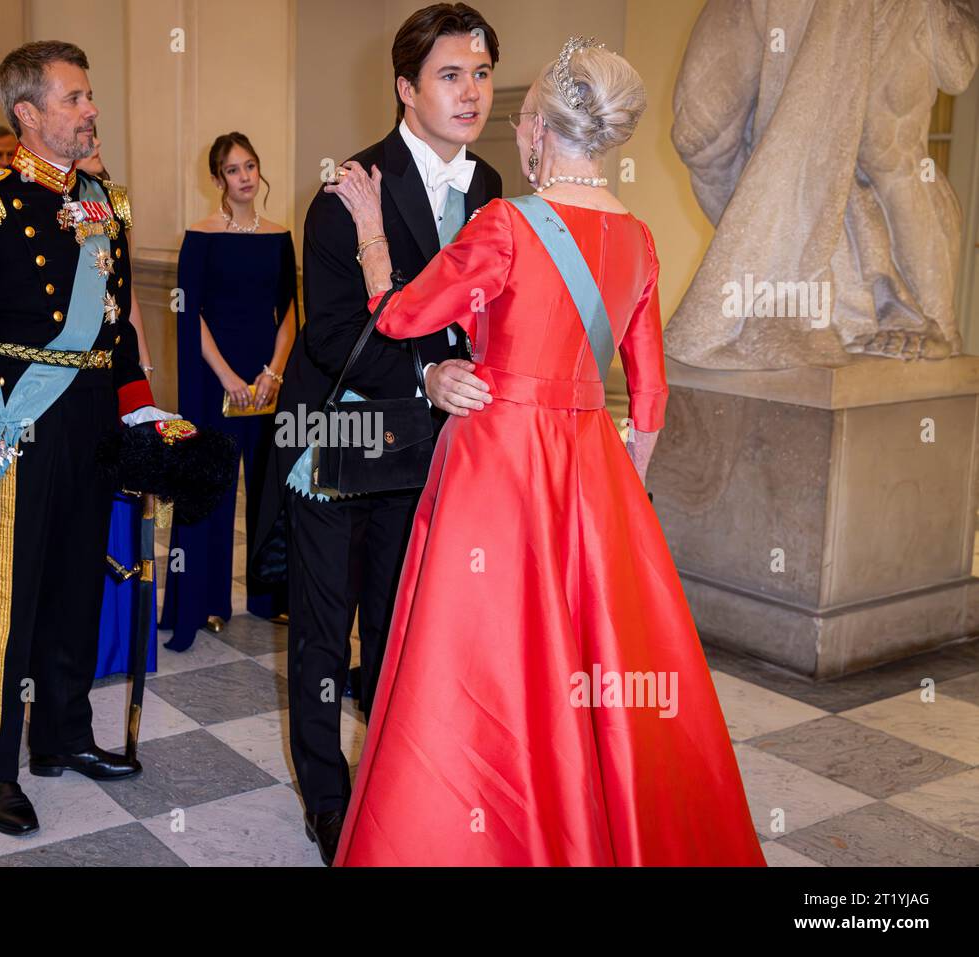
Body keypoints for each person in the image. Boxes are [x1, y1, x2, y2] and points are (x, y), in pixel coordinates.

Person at [326, 38, 766, 866]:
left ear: (537, 131)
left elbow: (397, 318)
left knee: (483, 657)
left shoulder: (507, 223)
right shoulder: (637, 237)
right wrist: (619, 488)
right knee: (594, 656)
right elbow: (652, 394)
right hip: (593, 464)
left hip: (497, 459)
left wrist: (372, 234)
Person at [257, 2, 503, 865]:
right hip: (345, 442)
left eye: (480, 74)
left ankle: (403, 777)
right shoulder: (346, 190)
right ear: (405, 87)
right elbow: (327, 332)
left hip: (437, 449)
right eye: (449, 75)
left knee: (407, 620)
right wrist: (421, 377)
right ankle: (327, 795)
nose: (470, 92)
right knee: (327, 628)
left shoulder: (489, 189)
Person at [0, 41, 177, 837]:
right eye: (73, 99)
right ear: (27, 113)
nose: (90, 110)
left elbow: (115, 328)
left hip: (93, 423)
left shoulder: (105, 200)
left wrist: (138, 407)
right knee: (11, 605)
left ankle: (64, 736)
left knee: (77, 588)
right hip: (23, 428)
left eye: (90, 95)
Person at [159, 132, 296, 652]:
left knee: (270, 488)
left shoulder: (280, 235)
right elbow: (187, 311)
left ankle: (269, 595)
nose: (244, 177)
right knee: (211, 488)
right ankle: (204, 601)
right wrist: (228, 377)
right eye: (233, 170)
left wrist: (274, 372)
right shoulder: (201, 235)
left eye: (251, 166)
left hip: (267, 378)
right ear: (217, 180)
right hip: (214, 376)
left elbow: (289, 312)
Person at [74, 131, 159, 678]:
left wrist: (143, 378)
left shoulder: (113, 214)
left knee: (127, 510)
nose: (102, 166)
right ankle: (93, 643)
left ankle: (121, 641)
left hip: (118, 375)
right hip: (68, 386)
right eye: (92, 157)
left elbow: (125, 305)